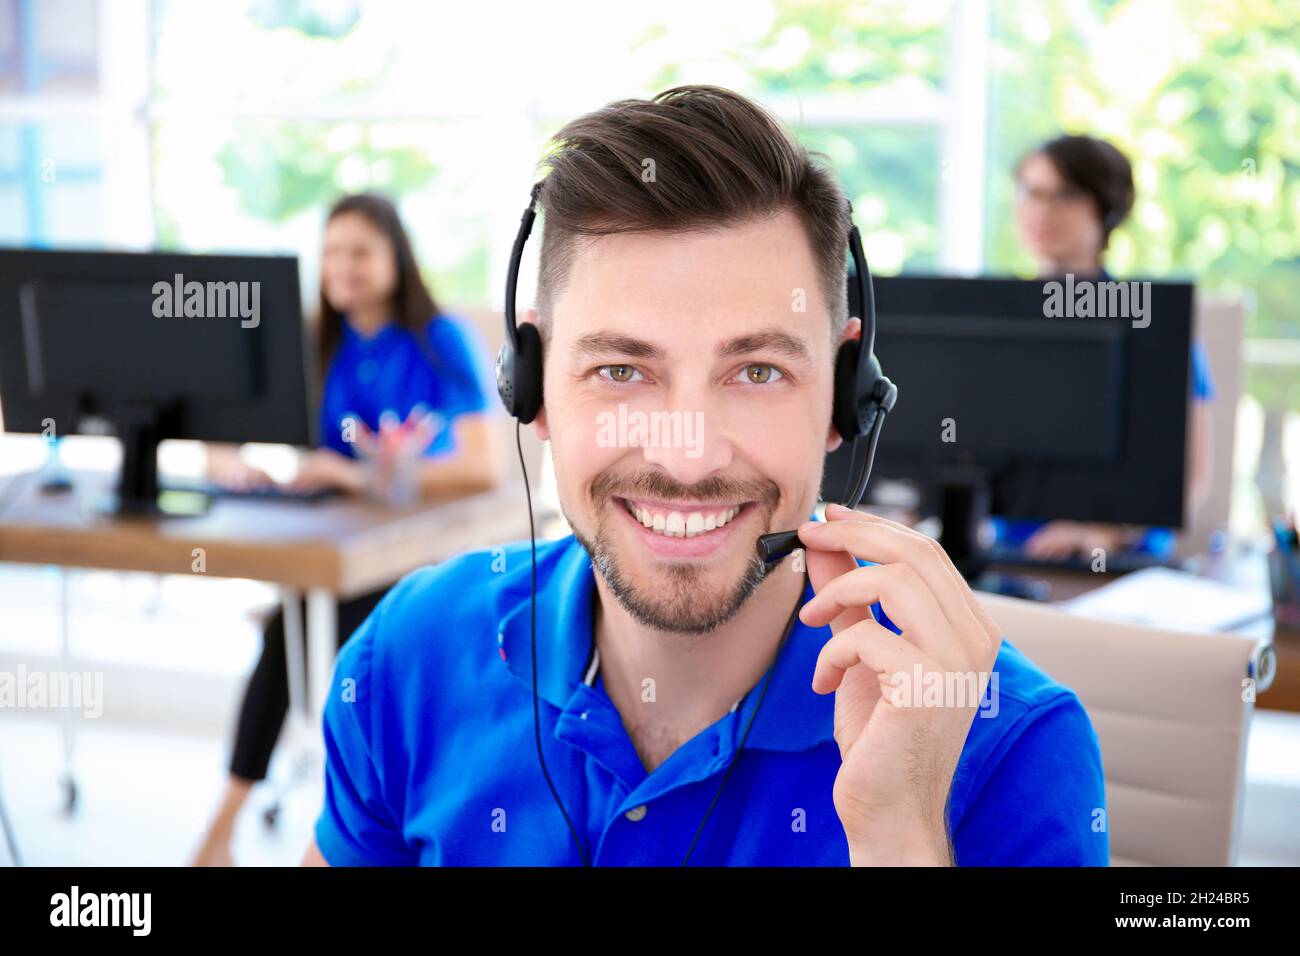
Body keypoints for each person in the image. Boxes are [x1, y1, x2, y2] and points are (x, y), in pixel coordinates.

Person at [303, 87, 1107, 866]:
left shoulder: (1008, 747)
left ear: (845, 392)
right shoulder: (409, 654)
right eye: (621, 369)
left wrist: (900, 840)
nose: (687, 455)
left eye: (756, 372)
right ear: (534, 383)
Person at [190, 192, 502, 866]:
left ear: (397, 257)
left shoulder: (440, 339)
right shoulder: (313, 341)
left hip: (420, 555)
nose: (343, 267)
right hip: (335, 551)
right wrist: (240, 464)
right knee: (297, 621)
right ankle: (243, 828)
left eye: (360, 251)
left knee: (294, 628)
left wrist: (359, 475)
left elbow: (481, 466)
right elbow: (220, 432)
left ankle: (229, 828)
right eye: (332, 252)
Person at [1000, 134, 1215, 561]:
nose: (1043, 210)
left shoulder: (1149, 322)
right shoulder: (994, 319)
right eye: (1032, 192)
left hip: (1109, 561)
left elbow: (1190, 478)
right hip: (1002, 555)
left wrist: (1106, 532)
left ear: (1106, 209)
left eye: (1065, 195)